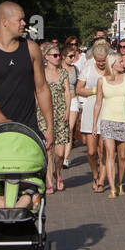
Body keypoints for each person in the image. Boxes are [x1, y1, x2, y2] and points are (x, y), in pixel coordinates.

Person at [0, 2, 54, 148]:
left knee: (34, 170)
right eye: (20, 20)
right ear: (5, 22)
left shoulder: (31, 48)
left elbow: (42, 89)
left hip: (27, 129)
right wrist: (2, 121)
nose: (24, 23)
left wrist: (50, 127)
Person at [95, 49, 125, 198]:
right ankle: (112, 188)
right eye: (120, 61)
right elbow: (98, 103)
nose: (123, 63)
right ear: (112, 64)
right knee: (110, 154)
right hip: (107, 120)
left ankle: (119, 183)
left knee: (123, 155)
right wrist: (95, 124)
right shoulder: (102, 80)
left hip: (124, 119)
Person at [75, 39, 112, 192]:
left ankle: (102, 180)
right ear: (95, 59)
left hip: (108, 108)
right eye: (99, 61)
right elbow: (78, 89)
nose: (102, 64)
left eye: (104, 61)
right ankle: (95, 174)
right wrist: (95, 91)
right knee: (91, 151)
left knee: (103, 150)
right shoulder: (88, 68)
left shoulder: (111, 68)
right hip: (91, 108)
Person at [39, 40, 70, 192]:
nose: (58, 58)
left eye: (59, 55)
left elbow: (67, 93)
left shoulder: (64, 72)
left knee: (60, 153)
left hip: (60, 113)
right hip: (44, 113)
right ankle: (49, 180)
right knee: (48, 149)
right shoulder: (40, 73)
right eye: (55, 55)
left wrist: (68, 109)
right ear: (47, 57)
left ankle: (58, 172)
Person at [62, 46, 81, 169]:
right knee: (61, 129)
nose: (73, 58)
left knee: (70, 128)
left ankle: (65, 158)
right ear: (63, 57)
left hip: (73, 100)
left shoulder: (75, 69)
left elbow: (78, 85)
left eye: (74, 56)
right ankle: (58, 154)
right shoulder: (59, 69)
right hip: (61, 101)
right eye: (70, 56)